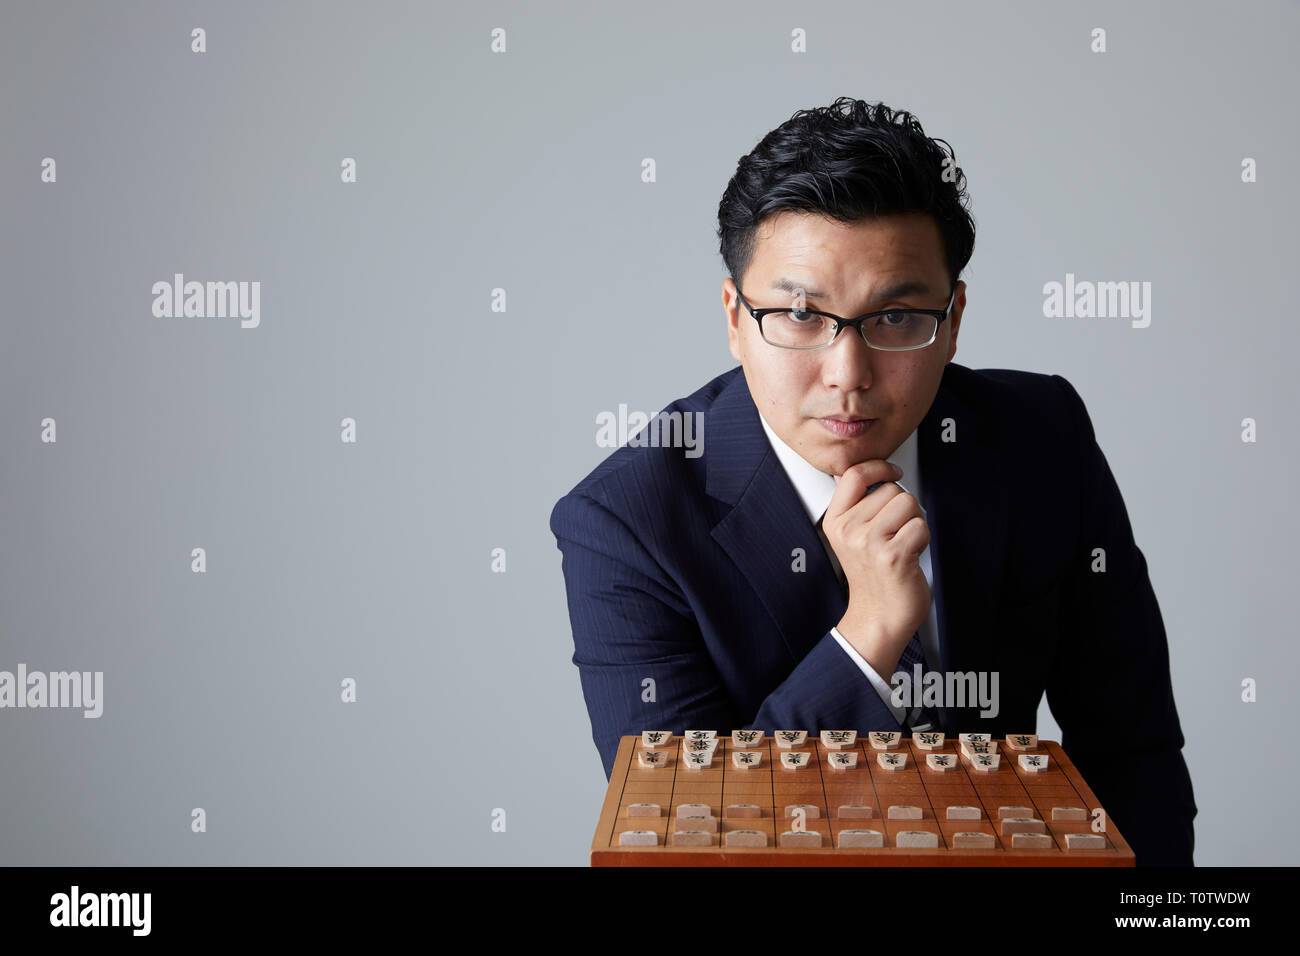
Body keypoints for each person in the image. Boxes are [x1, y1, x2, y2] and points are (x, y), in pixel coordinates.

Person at [549, 97, 1195, 866]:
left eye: (895, 319)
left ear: (953, 318)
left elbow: (1134, 753)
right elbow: (694, 834)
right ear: (733, 315)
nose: (847, 376)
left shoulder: (1041, 438)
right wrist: (867, 638)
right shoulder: (626, 521)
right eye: (799, 315)